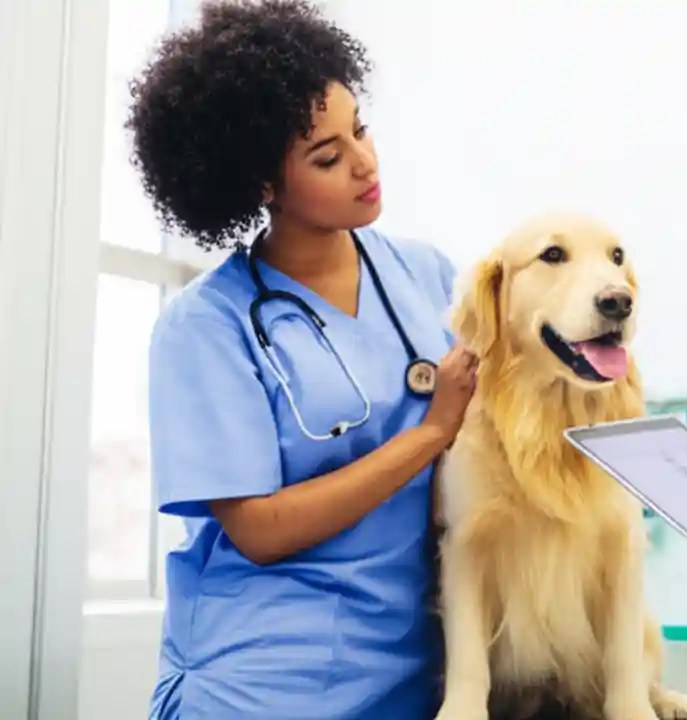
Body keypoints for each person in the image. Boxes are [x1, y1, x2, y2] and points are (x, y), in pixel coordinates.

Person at [127, 1, 477, 717]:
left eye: (361, 130)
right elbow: (259, 529)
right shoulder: (206, 328)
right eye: (327, 156)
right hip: (262, 683)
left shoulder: (428, 277)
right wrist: (430, 434)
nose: (364, 163)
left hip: (409, 676)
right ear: (260, 184)